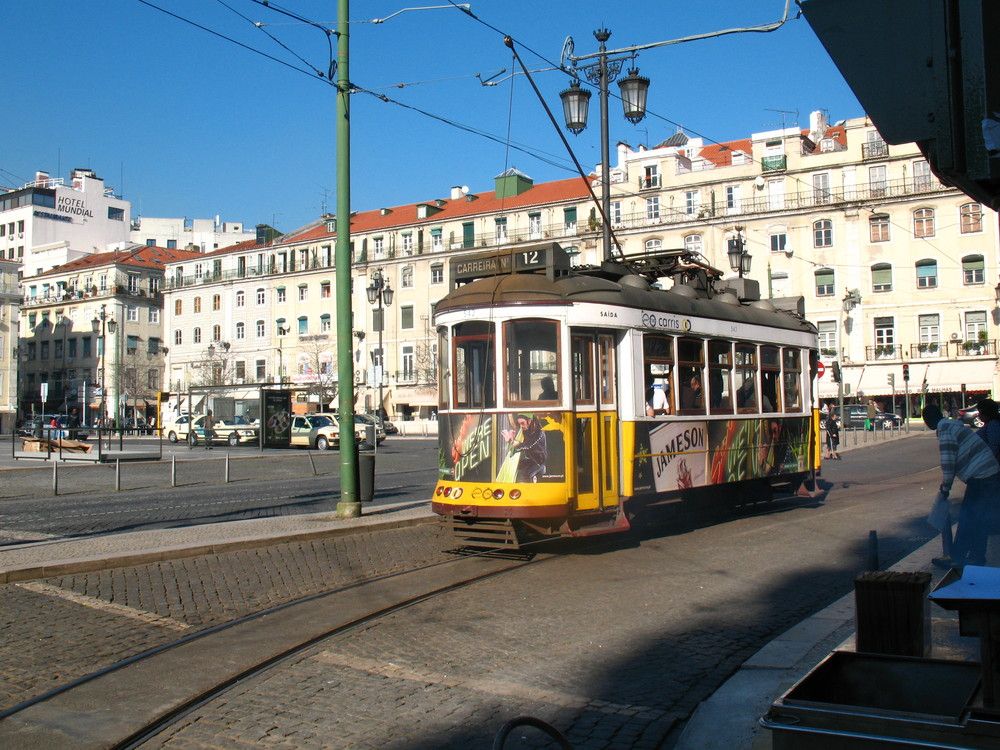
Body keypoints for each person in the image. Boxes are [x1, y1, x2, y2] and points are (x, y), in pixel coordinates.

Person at [924, 403, 1000, 570]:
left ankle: (958, 558)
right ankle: (975, 557)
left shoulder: (945, 431)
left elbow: (948, 462)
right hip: (988, 473)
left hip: (982, 476)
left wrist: (945, 488)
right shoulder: (951, 425)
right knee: (978, 519)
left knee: (969, 518)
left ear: (927, 421)